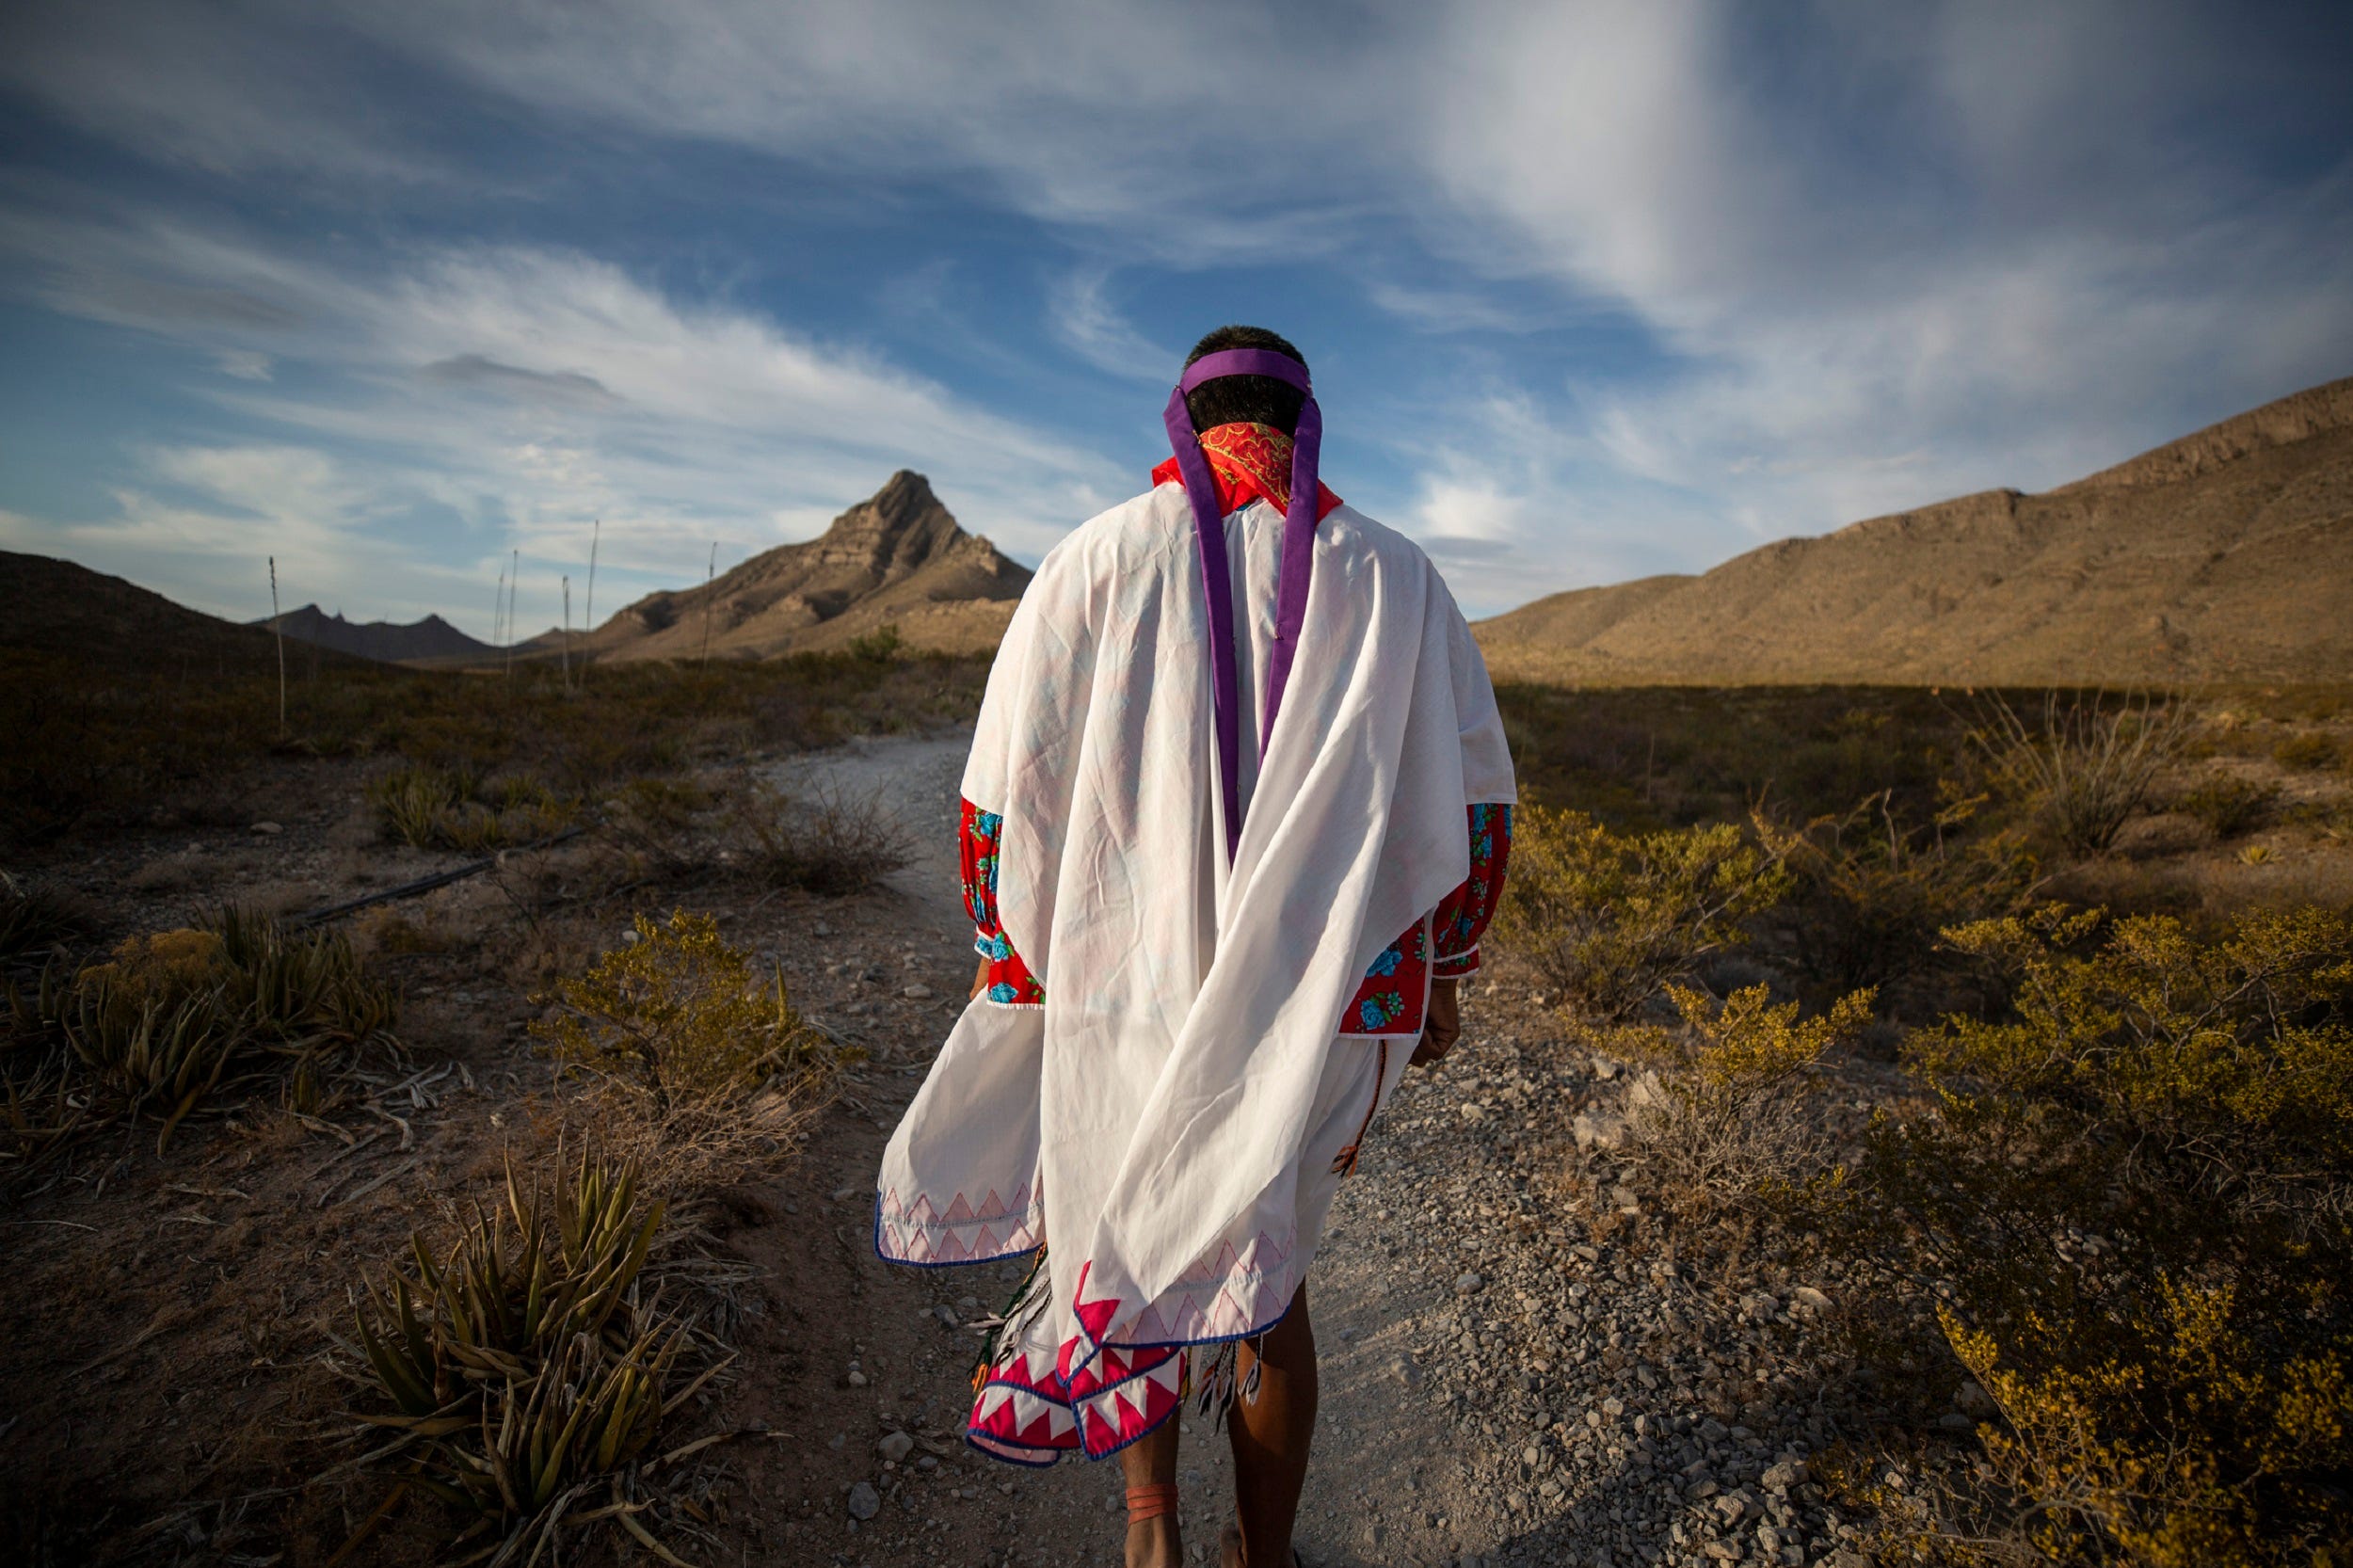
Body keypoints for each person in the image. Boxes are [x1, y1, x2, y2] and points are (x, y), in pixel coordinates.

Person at [877, 325, 1515, 1567]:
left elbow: (997, 802)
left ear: (1183, 411)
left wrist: (1002, 953)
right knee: (1267, 1265)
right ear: (1303, 413)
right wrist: (1440, 971)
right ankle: (1261, 1558)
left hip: (1121, 984)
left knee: (1132, 1222)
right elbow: (1477, 809)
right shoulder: (1397, 575)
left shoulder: (1090, 561)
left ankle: (1150, 1528)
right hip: (1327, 1001)